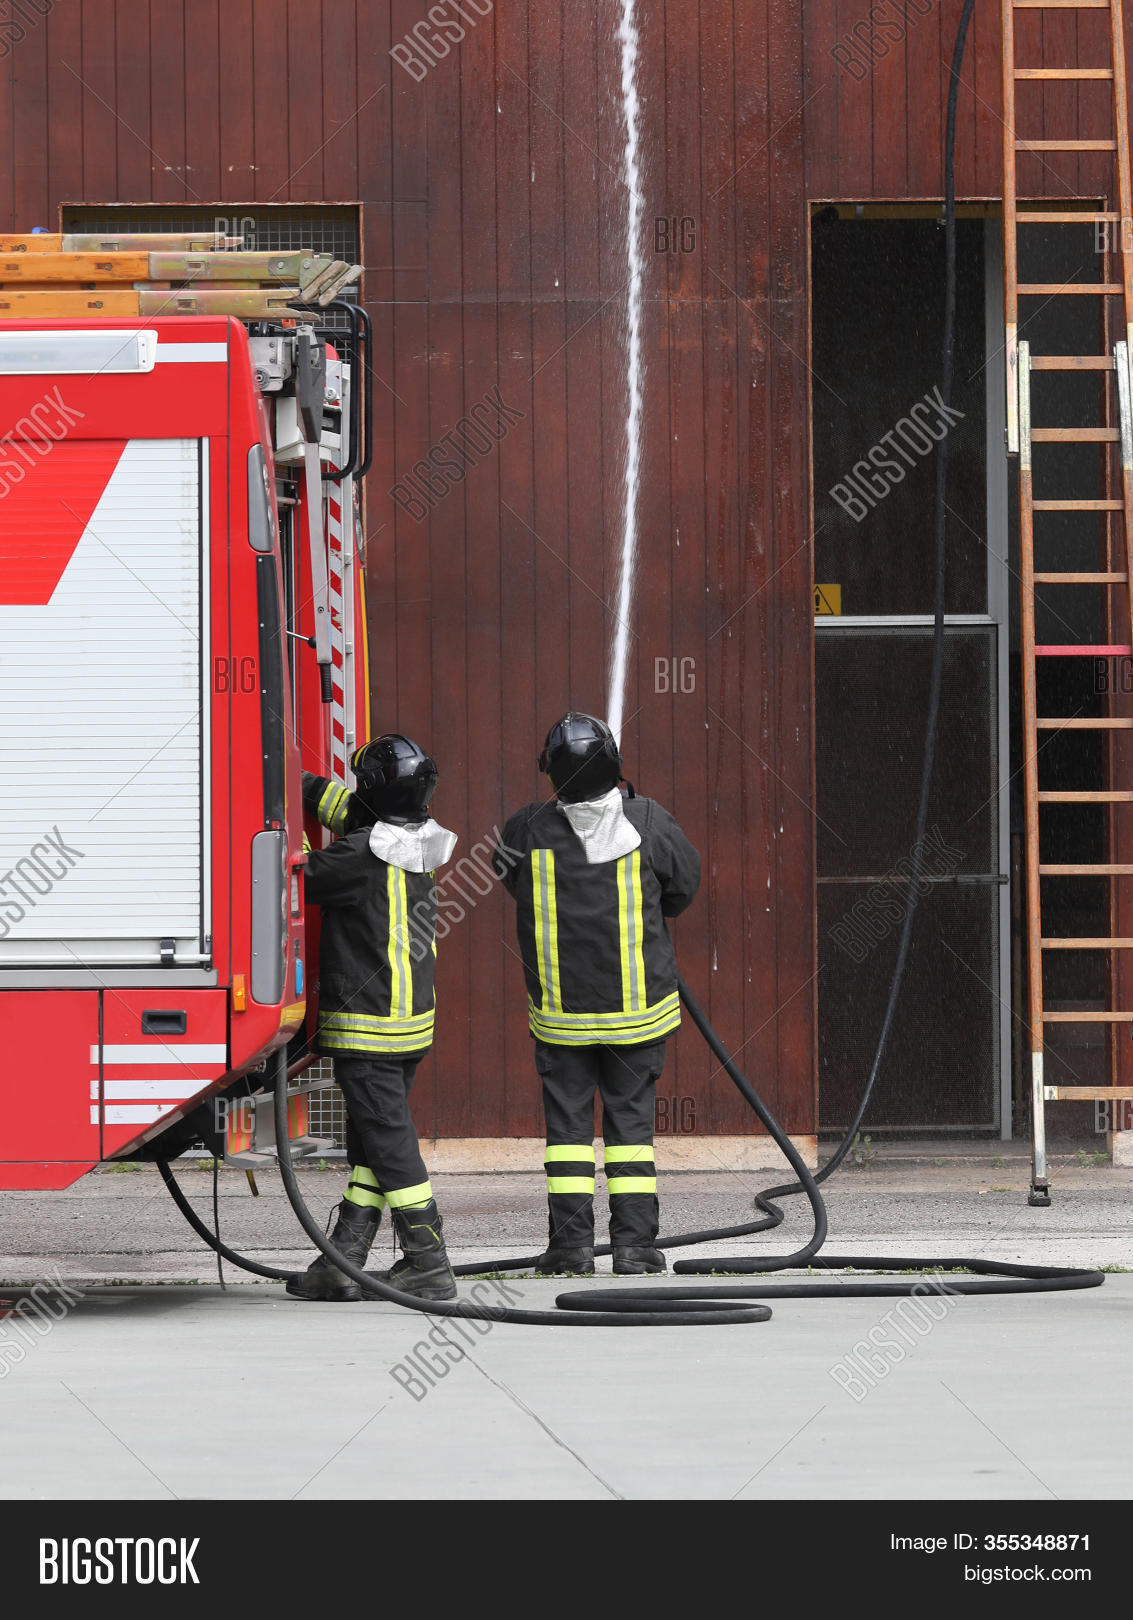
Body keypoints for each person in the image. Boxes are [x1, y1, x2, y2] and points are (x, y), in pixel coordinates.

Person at [494, 713, 700, 1276]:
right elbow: (683, 888)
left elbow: (508, 878)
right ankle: (634, 1249)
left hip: (562, 1021)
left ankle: (569, 1251)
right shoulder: (650, 822)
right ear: (614, 766)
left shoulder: (524, 829)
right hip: (638, 1018)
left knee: (567, 1137)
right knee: (630, 1133)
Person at [287, 734, 459, 1302]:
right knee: (369, 1146)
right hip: (408, 1027)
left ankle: (428, 1262)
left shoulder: (357, 856)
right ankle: (345, 1262)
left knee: (389, 1145)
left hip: (369, 1031)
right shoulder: (415, 840)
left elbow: (288, 881)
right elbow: (352, 808)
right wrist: (294, 778)